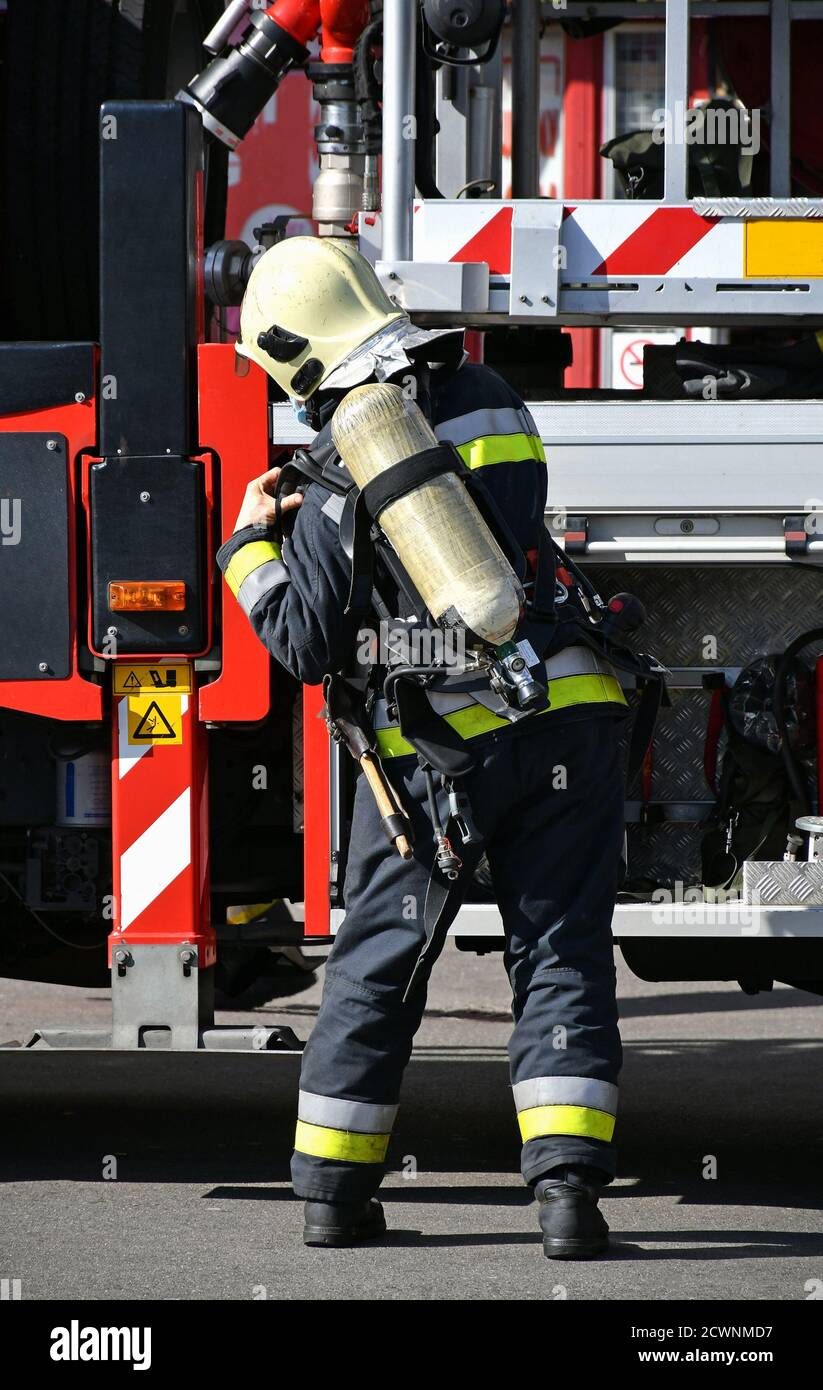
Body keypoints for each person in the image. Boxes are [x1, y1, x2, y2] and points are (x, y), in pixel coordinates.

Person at [217, 236, 630, 1260]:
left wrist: (248, 547)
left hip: (429, 758)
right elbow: (519, 535)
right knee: (560, 952)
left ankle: (333, 1197)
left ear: (293, 353)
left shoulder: (336, 459)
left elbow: (306, 643)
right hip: (566, 714)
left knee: (380, 963)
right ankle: (569, 1199)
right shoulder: (489, 392)